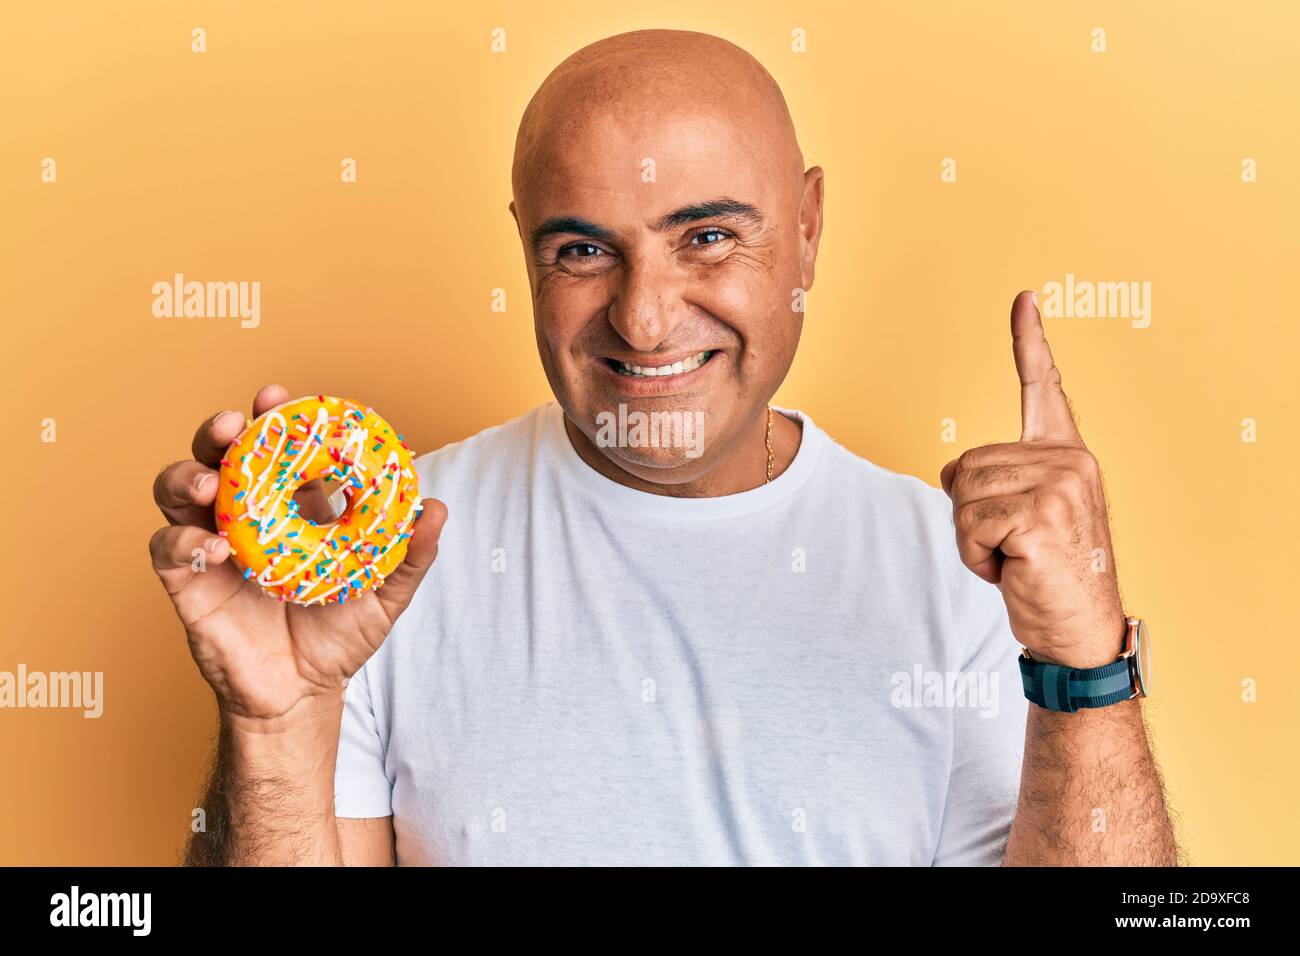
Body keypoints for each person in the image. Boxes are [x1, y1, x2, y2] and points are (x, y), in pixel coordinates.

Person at [151, 29, 1177, 865]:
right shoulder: (381, 569)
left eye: (708, 236)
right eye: (584, 250)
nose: (643, 321)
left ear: (808, 228)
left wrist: (1082, 663)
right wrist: (278, 725)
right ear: (524, 247)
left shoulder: (958, 569)